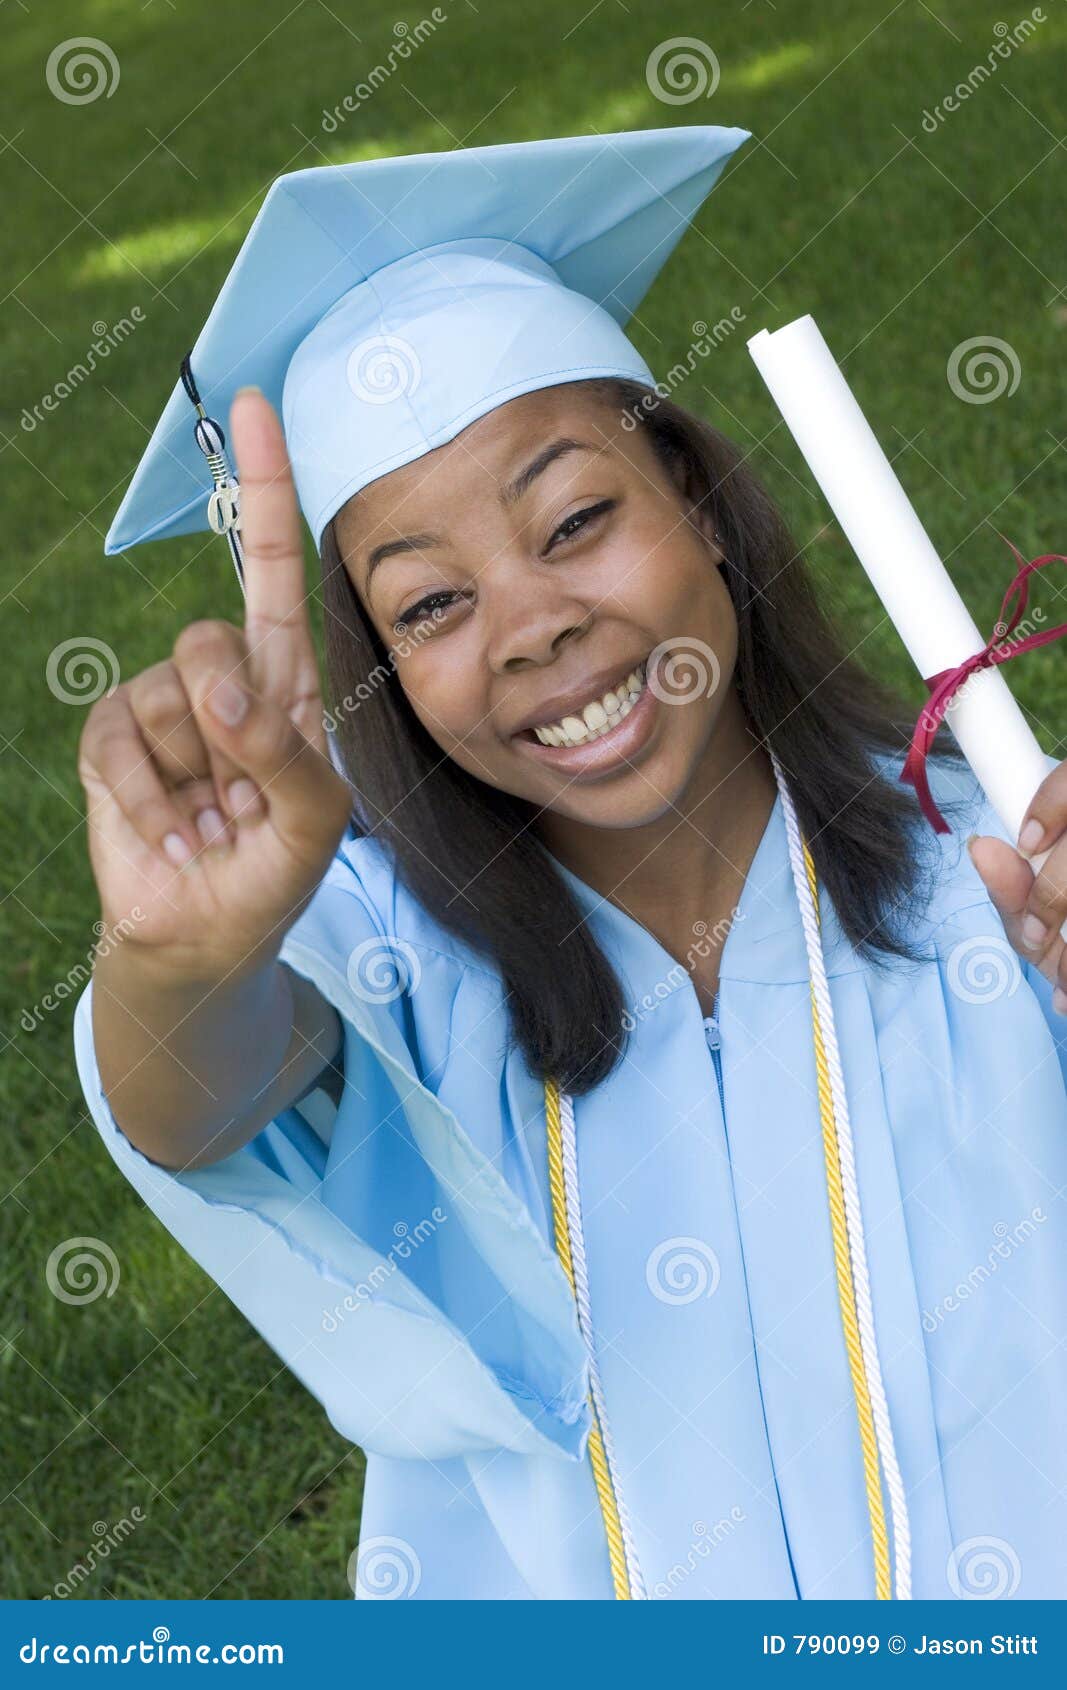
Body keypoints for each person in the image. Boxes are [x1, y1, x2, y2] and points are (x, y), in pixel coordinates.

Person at [74, 126, 1067, 1601]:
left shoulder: (994, 868)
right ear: (383, 680)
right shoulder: (391, 975)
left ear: (702, 505)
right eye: (429, 606)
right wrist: (178, 960)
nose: (531, 623)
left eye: (579, 518)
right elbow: (196, 1098)